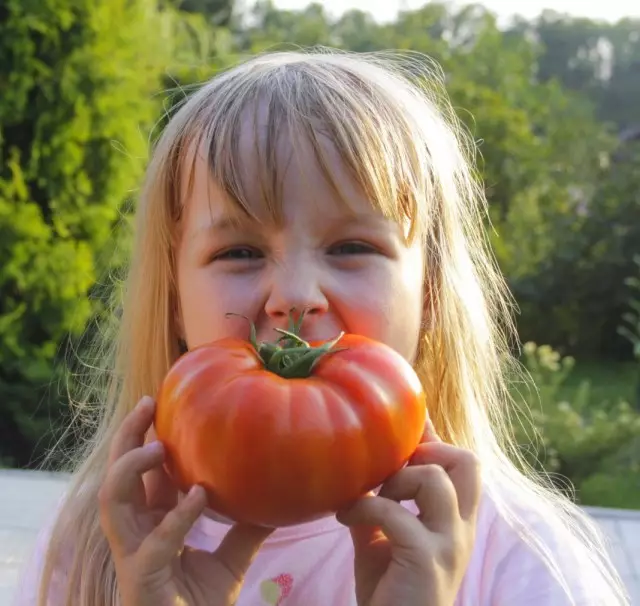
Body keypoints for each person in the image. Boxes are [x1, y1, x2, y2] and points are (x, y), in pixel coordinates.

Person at [13, 49, 629, 606]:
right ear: (174, 300)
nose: (296, 297)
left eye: (351, 246)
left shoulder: (518, 559)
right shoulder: (98, 551)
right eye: (240, 253)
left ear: (432, 291)